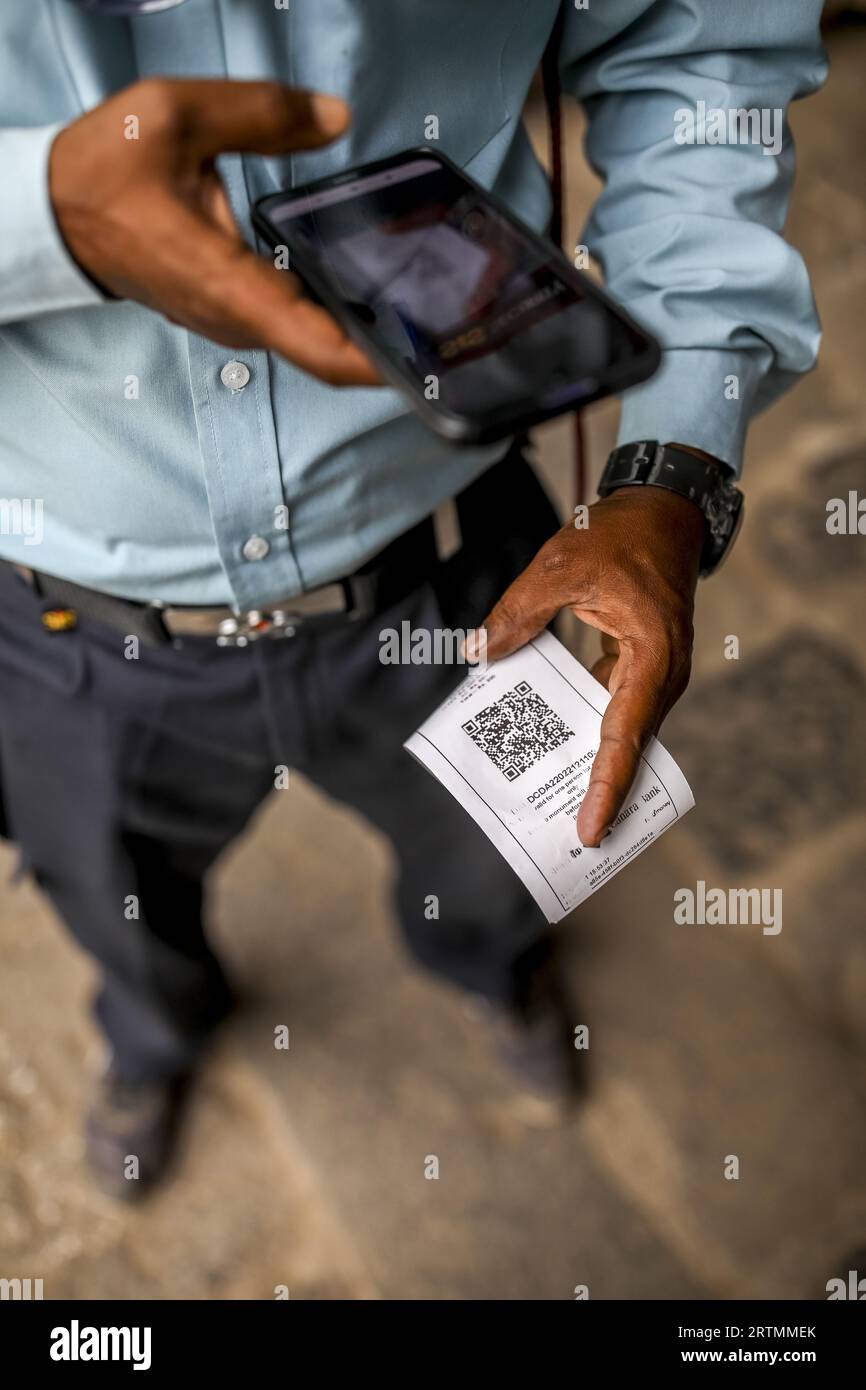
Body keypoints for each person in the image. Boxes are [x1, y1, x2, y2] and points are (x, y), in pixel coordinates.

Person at [0, 0, 825, 1197]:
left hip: (462, 576)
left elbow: (698, 45)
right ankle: (153, 1038)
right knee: (117, 907)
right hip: (67, 618)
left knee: (502, 875)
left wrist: (669, 470)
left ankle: (489, 971)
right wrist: (36, 218)